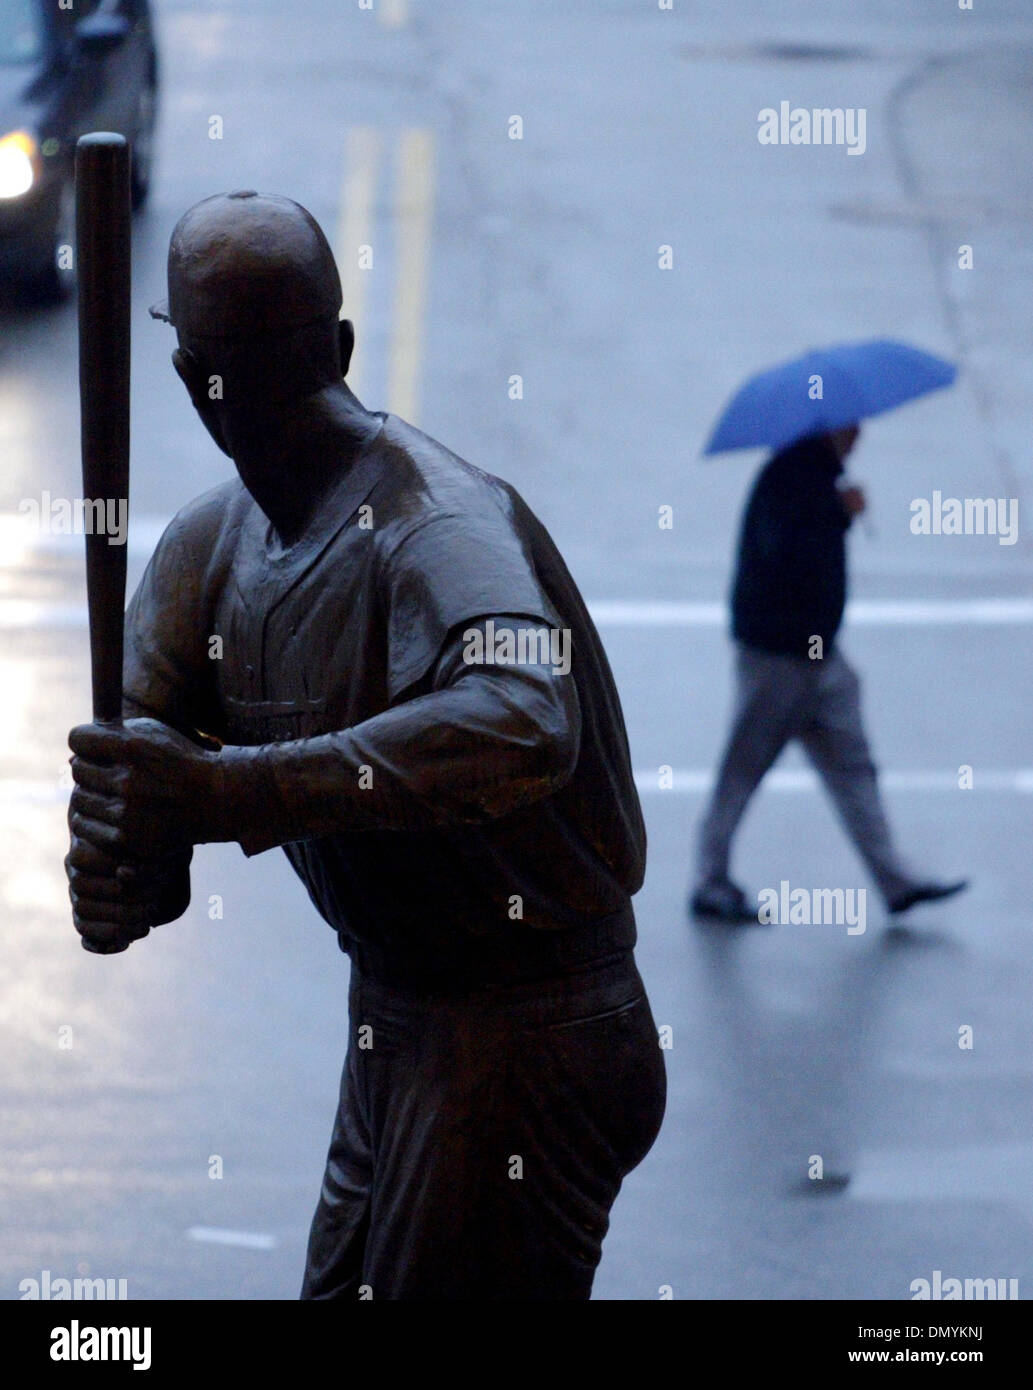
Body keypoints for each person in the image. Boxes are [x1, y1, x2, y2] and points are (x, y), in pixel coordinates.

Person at [65, 191, 666, 1299]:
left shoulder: (439, 524)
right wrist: (126, 845)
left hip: (526, 1030)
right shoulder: (212, 546)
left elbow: (524, 720)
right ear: (340, 347)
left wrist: (225, 794)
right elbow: (148, 760)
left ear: (191, 378)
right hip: (404, 1019)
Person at [690, 424, 968, 924]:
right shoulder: (790, 481)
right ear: (827, 431)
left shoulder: (811, 477)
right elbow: (787, 560)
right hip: (779, 661)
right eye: (851, 426)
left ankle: (895, 880)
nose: (859, 435)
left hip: (819, 659)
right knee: (743, 770)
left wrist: (837, 514)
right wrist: (838, 515)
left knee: (854, 769)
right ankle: (709, 880)